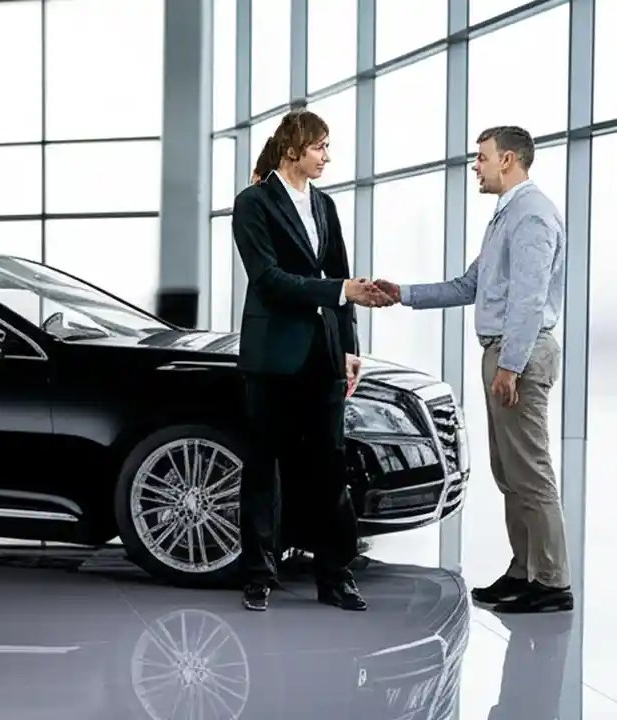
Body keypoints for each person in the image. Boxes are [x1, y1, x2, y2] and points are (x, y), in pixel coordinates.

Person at [373, 125, 571, 614]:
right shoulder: (506, 217)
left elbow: (528, 299)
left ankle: (551, 582)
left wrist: (510, 366)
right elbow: (469, 285)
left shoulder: (531, 216)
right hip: (505, 351)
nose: (475, 167)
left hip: (518, 353)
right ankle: (524, 571)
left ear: (508, 160)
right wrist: (404, 294)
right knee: (510, 471)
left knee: (530, 471)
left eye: (481, 158)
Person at [231, 110, 394, 612]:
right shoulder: (252, 203)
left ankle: (335, 575)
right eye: (320, 146)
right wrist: (339, 289)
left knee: (328, 467)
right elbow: (268, 279)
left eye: (327, 147)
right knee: (263, 467)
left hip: (322, 353)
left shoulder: (324, 205)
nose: (327, 156)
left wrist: (348, 347)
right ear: (292, 148)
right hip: (273, 355)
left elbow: (341, 276)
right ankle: (259, 573)